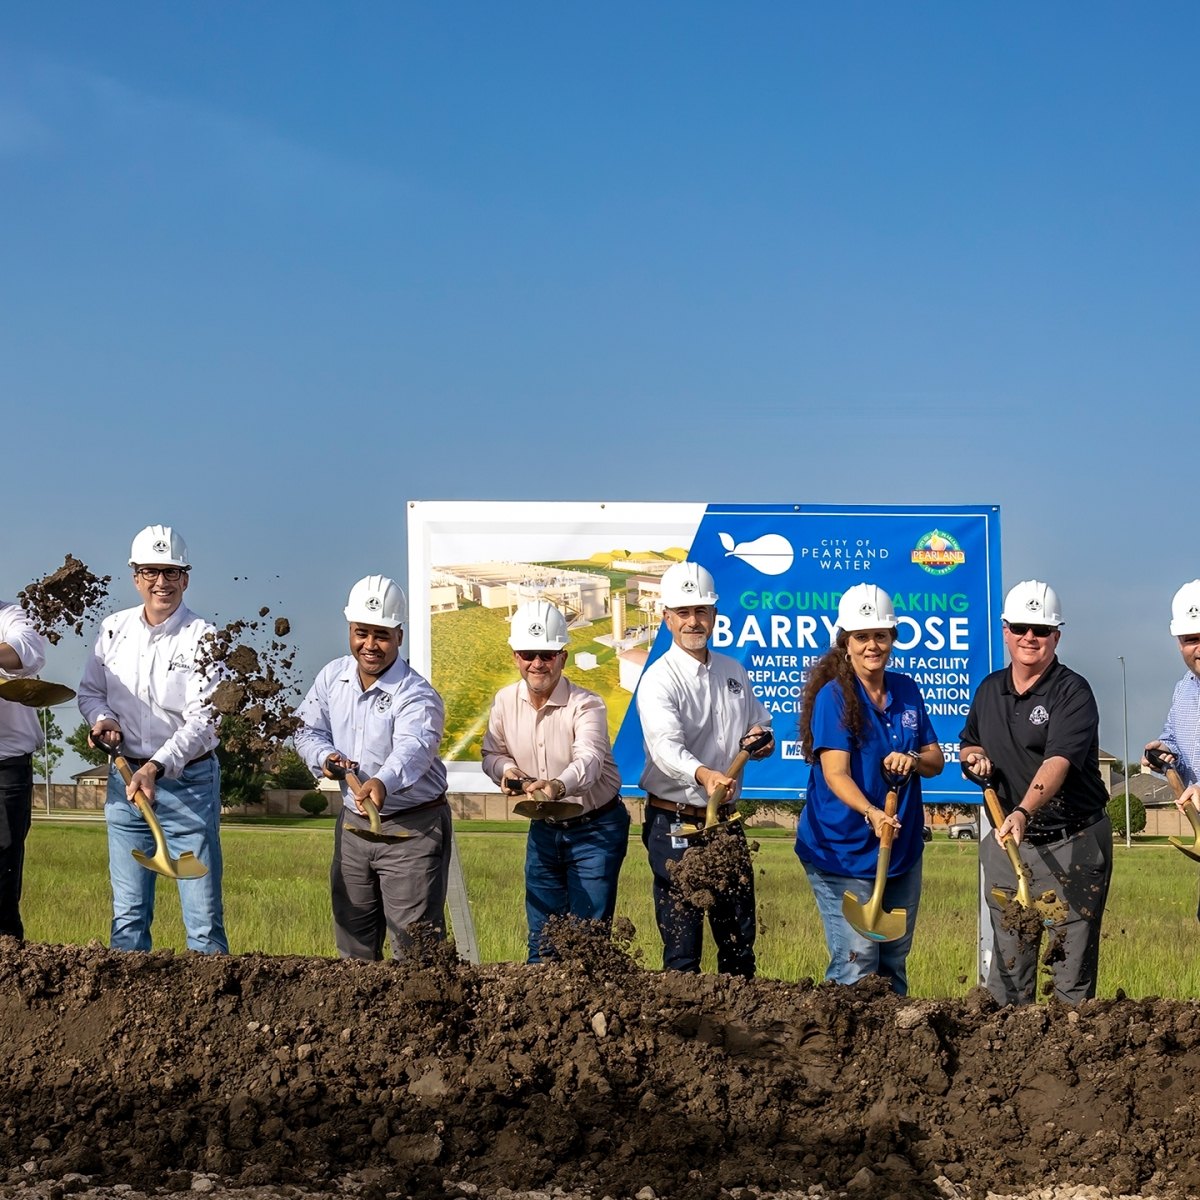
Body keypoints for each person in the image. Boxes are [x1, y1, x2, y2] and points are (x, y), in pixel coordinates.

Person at [959, 579, 1112, 1006]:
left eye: (1041, 630)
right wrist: (973, 757)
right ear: (1006, 631)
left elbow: (1058, 763)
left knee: (1070, 970)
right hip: (1009, 846)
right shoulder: (990, 689)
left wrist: (1024, 809)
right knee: (1007, 971)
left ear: (1056, 636)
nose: (1031, 637)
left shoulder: (1072, 692)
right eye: (1022, 627)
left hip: (1072, 842)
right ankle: (1007, 1060)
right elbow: (969, 740)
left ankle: (1065, 1063)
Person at [77, 525, 227, 953]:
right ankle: (128, 1015)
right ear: (135, 576)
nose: (161, 582)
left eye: (171, 572)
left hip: (187, 785)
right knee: (127, 916)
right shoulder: (112, 630)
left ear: (186, 577)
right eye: (150, 571)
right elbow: (91, 692)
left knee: (203, 921)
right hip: (124, 782)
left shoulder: (204, 637)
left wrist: (156, 766)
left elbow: (205, 720)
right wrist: (103, 719)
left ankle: (212, 1012)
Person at [794, 584, 944, 995]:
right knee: (857, 960)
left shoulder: (907, 690)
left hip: (900, 848)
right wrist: (872, 813)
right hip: (841, 849)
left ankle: (890, 1053)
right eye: (862, 637)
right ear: (846, 642)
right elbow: (836, 774)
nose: (872, 645)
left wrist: (912, 760)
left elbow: (935, 761)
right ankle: (838, 1048)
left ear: (893, 638)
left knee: (893, 959)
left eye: (880, 635)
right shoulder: (835, 698)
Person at [294, 575, 451, 960]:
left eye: (381, 635)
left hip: (410, 830)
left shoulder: (417, 694)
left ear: (399, 635)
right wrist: (325, 759)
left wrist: (382, 781)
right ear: (349, 629)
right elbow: (305, 730)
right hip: (353, 828)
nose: (370, 645)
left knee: (415, 950)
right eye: (361, 633)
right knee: (354, 943)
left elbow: (414, 748)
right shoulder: (333, 677)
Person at [636, 560, 773, 977]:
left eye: (701, 611)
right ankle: (688, 1037)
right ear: (667, 618)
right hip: (675, 824)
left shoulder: (734, 672)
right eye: (683, 612)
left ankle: (741, 1036)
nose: (693, 621)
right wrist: (706, 775)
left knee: (738, 943)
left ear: (714, 615)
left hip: (725, 825)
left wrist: (761, 740)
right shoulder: (660, 679)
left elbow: (760, 726)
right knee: (682, 947)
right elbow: (665, 749)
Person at [482, 599, 629, 962]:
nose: (537, 663)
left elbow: (590, 760)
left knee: (587, 940)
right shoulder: (504, 702)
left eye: (547, 654)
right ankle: (542, 1016)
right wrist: (507, 772)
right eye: (529, 653)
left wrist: (556, 787)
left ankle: (591, 1013)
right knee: (542, 940)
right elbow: (491, 755)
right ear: (515, 656)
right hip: (545, 828)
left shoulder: (587, 705)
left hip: (595, 828)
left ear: (563, 657)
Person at [0, 599, 48, 940]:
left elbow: (29, 650)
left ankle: (9, 962)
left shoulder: (8, 616)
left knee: (3, 863)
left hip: (5, 768)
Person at [1144, 579, 1200, 814]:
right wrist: (1165, 750)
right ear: (1179, 642)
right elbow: (1175, 739)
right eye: (1192, 639)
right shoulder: (1183, 689)